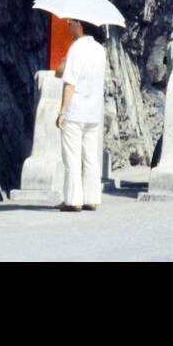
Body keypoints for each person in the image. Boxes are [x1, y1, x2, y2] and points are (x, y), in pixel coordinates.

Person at [55, 19, 107, 212]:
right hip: (93, 111)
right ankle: (91, 198)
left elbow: (69, 82)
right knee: (91, 157)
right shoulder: (100, 50)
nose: (68, 26)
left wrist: (62, 111)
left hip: (75, 110)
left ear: (79, 25)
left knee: (72, 157)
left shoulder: (76, 48)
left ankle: (73, 199)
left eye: (71, 22)